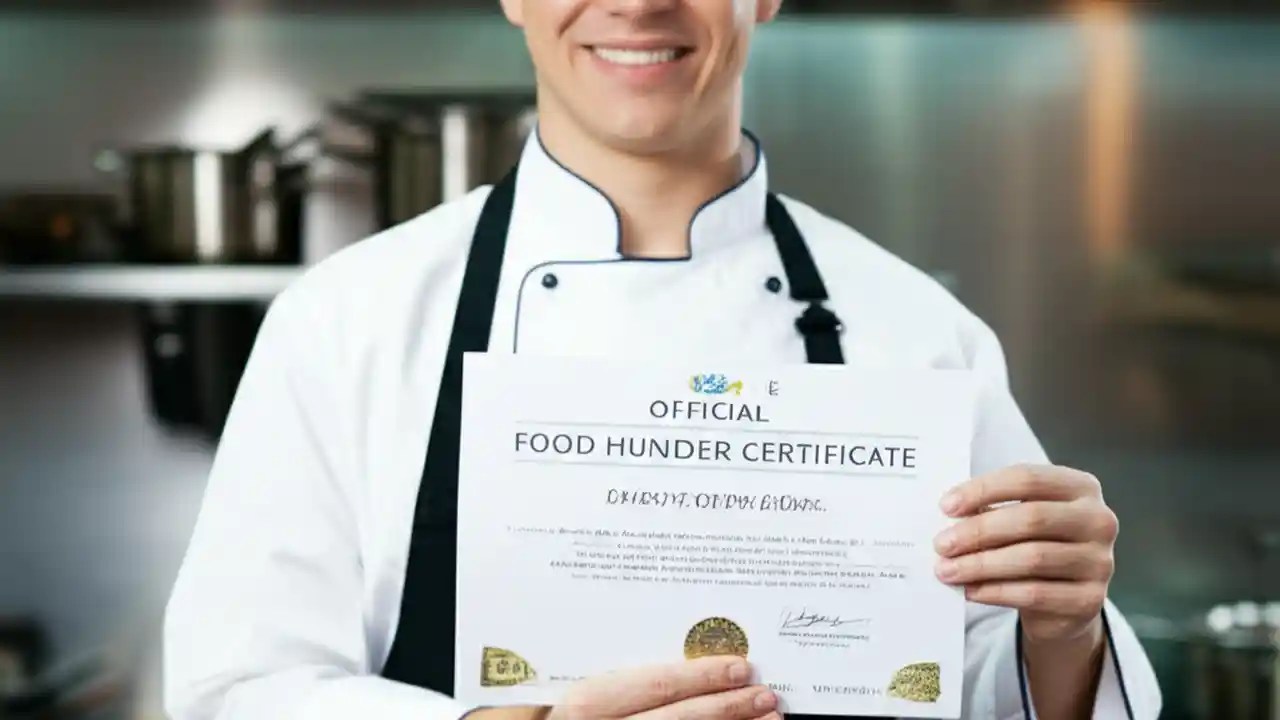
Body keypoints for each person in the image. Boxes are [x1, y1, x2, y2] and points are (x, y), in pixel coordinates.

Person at [163, 0, 1162, 718]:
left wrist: (1062, 629)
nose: (637, 5)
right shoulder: (346, 320)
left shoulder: (917, 330)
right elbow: (237, 687)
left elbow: (990, 694)